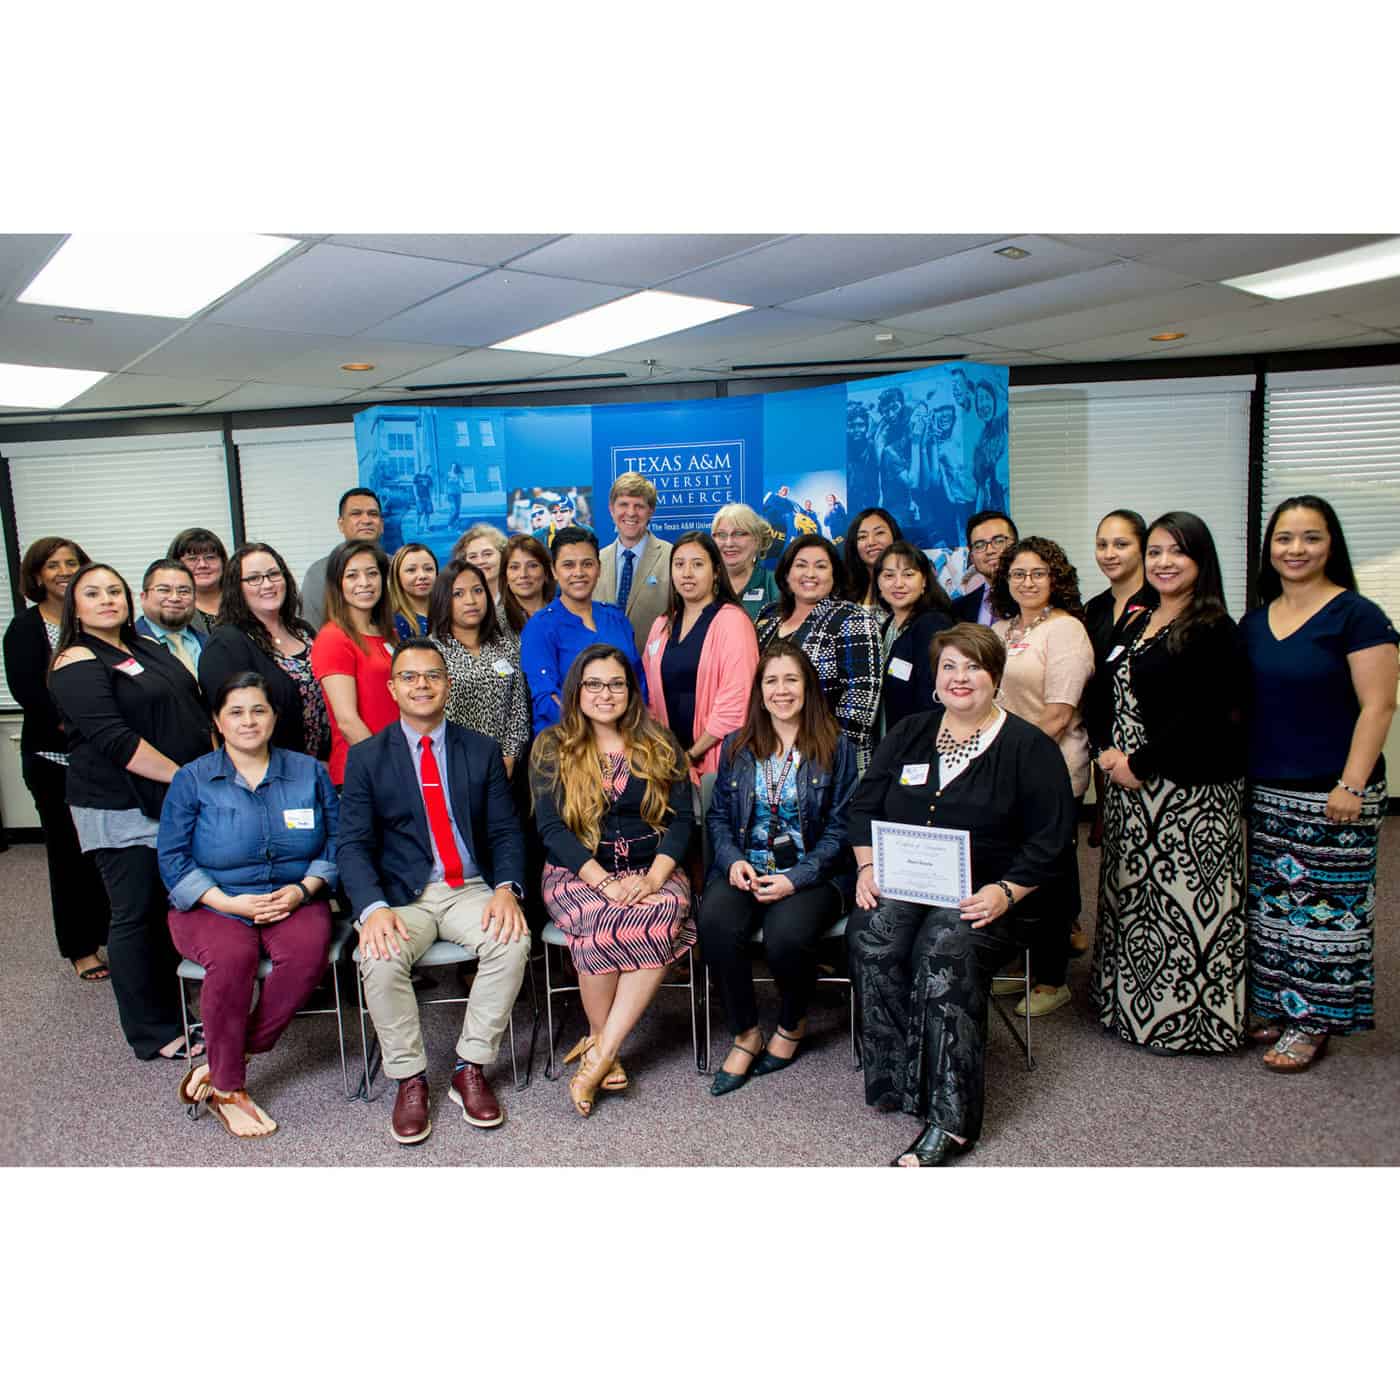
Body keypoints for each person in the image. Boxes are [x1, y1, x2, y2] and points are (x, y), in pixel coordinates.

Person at [847, 623, 1074, 1166]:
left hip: (992, 893)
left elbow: (1051, 842)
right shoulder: (910, 732)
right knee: (873, 934)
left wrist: (1005, 892)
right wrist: (867, 866)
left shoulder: (1029, 747)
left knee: (944, 949)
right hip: (907, 881)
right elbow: (863, 807)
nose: (960, 677)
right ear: (935, 677)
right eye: (949, 666)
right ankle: (900, 1077)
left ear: (994, 675)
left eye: (973, 666)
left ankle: (951, 1120)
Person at [339, 638, 529, 1145]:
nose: (421, 685)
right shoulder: (367, 758)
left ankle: (470, 1067)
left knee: (512, 941)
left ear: (447, 684)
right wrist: (372, 908)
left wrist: (506, 889)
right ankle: (409, 1078)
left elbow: (506, 831)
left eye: (432, 676)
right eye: (409, 676)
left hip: (469, 887)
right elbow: (352, 845)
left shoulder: (481, 750)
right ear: (392, 688)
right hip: (403, 897)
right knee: (378, 956)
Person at [1240, 496, 1398, 1073]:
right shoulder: (1255, 622)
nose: (1296, 549)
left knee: (1326, 916)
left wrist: (1351, 784)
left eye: (1311, 537)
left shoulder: (1358, 616)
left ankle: (1314, 1021)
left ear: (1331, 545)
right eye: (1284, 538)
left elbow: (1379, 705)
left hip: (1333, 793)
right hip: (1267, 790)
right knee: (1274, 910)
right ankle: (1281, 1007)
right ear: (1270, 549)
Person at [1089, 511, 1248, 1054]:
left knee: (1182, 906)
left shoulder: (1214, 629)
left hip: (1188, 793)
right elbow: (1108, 689)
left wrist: (1139, 763)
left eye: (1177, 551)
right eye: (1155, 552)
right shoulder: (1140, 618)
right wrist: (1108, 753)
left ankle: (1188, 1024)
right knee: (1136, 897)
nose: (1163, 562)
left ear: (1201, 560)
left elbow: (1204, 716)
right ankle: (1128, 1009)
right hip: (1130, 788)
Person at [157, 672, 338, 1138]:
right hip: (213, 901)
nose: (249, 721)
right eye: (235, 712)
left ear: (275, 717)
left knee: (307, 956)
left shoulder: (309, 772)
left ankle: (225, 1061)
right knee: (232, 959)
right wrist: (229, 903)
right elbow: (172, 858)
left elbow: (338, 841)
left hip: (293, 895)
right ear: (218, 722)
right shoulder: (192, 779)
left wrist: (305, 889)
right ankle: (228, 1089)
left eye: (259, 710)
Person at [48, 562, 213, 1060]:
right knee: (136, 913)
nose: (107, 600)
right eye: (93, 593)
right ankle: (153, 1032)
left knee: (166, 908)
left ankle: (176, 1010)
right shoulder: (76, 658)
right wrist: (186, 779)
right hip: (120, 804)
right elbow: (115, 740)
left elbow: (190, 708)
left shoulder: (142, 647)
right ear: (74, 606)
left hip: (170, 797)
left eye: (114, 591)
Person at [530, 644, 695, 1117]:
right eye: (595, 684)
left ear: (631, 690)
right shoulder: (552, 747)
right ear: (577, 691)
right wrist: (603, 883)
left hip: (653, 869)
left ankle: (600, 1052)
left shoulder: (660, 742)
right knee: (601, 921)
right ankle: (607, 1046)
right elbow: (551, 829)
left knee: (660, 914)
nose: (606, 694)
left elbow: (683, 820)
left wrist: (655, 878)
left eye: (617, 684)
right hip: (579, 872)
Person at [700, 643, 858, 1094]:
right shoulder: (738, 744)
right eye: (771, 680)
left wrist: (795, 878)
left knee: (786, 935)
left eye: (791, 679)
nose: (781, 690)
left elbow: (842, 828)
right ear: (760, 690)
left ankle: (791, 1023)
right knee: (715, 923)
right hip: (746, 866)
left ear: (808, 687)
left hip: (814, 873)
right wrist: (732, 861)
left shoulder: (835, 745)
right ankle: (746, 1032)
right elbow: (718, 817)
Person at [989, 536, 1095, 1019]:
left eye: (1037, 573)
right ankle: (1022, 967)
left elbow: (1058, 714)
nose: (1027, 582)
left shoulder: (1066, 629)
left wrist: (1008, 760)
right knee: (1010, 872)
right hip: (1004, 770)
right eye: (1018, 574)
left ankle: (1053, 979)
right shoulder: (1001, 629)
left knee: (1048, 877)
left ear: (1055, 578)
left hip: (1051, 769)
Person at [2, 536, 110, 980]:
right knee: (69, 856)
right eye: (53, 565)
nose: (64, 571)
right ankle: (80, 946)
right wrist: (86, 727)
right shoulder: (25, 629)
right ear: (36, 575)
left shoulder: (93, 619)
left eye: (71, 563)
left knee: (109, 852)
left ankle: (113, 932)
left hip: (106, 758)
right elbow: (30, 694)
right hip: (55, 759)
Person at [755, 536, 882, 771]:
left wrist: (825, 753)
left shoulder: (851, 618)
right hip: (770, 750)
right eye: (801, 565)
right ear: (786, 573)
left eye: (821, 566)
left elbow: (861, 699)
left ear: (834, 576)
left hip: (829, 759)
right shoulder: (769, 616)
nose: (810, 574)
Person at [641, 531, 759, 781]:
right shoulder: (661, 625)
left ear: (716, 571)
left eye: (697, 564)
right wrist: (664, 753)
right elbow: (648, 695)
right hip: (667, 762)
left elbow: (736, 703)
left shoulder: (733, 622)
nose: (687, 573)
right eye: (679, 564)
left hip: (717, 761)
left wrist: (691, 755)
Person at [198, 543, 330, 762]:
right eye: (254, 578)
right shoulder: (225, 644)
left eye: (273, 574)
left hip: (321, 766)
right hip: (268, 770)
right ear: (236, 587)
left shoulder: (303, 630)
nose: (267, 584)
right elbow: (233, 722)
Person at [520, 526, 645, 734]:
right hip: (569, 742)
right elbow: (546, 698)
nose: (579, 573)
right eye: (568, 565)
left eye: (587, 564)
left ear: (599, 568)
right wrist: (597, 734)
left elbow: (639, 684)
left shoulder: (617, 618)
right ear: (554, 571)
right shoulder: (540, 627)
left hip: (626, 738)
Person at [429, 559, 531, 777]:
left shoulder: (504, 645)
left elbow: (518, 708)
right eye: (458, 594)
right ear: (443, 599)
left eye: (477, 591)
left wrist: (509, 757)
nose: (471, 601)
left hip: (504, 766)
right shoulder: (431, 651)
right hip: (450, 765)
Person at [310, 541, 400, 786]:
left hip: (398, 761)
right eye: (352, 575)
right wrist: (387, 770)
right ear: (337, 583)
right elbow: (347, 721)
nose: (365, 583)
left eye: (372, 573)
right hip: (367, 771)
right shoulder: (333, 638)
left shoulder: (389, 634)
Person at [874, 540, 954, 732]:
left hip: (920, 738)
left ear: (924, 581)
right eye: (889, 575)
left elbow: (936, 698)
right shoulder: (888, 626)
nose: (898, 583)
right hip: (892, 736)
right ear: (878, 583)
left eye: (908, 574)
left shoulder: (932, 625)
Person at [595, 472, 672, 651]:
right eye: (623, 504)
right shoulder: (596, 561)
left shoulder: (672, 557)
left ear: (650, 511)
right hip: (604, 664)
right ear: (611, 509)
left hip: (653, 664)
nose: (631, 513)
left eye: (639, 506)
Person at [300, 488, 385, 632]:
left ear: (381, 525)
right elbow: (312, 629)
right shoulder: (319, 572)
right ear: (341, 524)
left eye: (373, 514)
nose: (366, 520)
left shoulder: (397, 567)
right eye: (356, 514)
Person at [135, 559, 207, 675]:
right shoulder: (126, 644)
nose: (175, 598)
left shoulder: (209, 643)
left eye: (184, 591)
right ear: (144, 597)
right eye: (164, 590)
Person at [710, 503, 778, 621]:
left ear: (757, 540)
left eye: (738, 534)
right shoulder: (704, 585)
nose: (729, 543)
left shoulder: (775, 585)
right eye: (721, 535)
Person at [951, 511, 1018, 626]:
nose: (990, 550)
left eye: (999, 541)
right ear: (971, 555)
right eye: (979, 545)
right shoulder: (957, 609)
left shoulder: (1034, 597)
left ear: (1016, 545)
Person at [169, 527, 229, 632]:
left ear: (223, 562)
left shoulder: (244, 601)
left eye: (210, 557)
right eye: (192, 559)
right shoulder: (171, 608)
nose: (202, 565)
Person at [843, 507, 902, 609]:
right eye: (862, 537)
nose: (871, 542)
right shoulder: (842, 589)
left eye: (879, 533)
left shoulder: (909, 584)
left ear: (894, 535)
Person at [500, 533, 556, 635]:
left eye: (532, 566)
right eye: (514, 567)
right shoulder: (494, 624)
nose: (523, 574)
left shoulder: (567, 615)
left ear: (546, 573)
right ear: (505, 576)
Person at [387, 541, 437, 639]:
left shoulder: (450, 613)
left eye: (428, 569)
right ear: (397, 576)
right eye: (411, 570)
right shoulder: (395, 623)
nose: (422, 576)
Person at [453, 523, 508, 606]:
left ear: (503, 556)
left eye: (487, 554)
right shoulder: (454, 603)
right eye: (473, 556)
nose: (480, 561)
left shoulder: (520, 597)